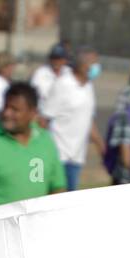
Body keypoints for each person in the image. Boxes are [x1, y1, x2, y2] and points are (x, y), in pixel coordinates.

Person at [0, 81, 65, 210]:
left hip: (35, 227)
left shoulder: (46, 141)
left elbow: (58, 187)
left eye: (15, 110)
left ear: (32, 113)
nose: (6, 113)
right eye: (6, 107)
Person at [39, 47, 103, 191]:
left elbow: (88, 119)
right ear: (82, 65)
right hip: (58, 156)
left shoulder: (88, 86)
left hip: (76, 157)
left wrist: (102, 147)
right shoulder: (62, 84)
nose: (97, 67)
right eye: (94, 63)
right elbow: (44, 120)